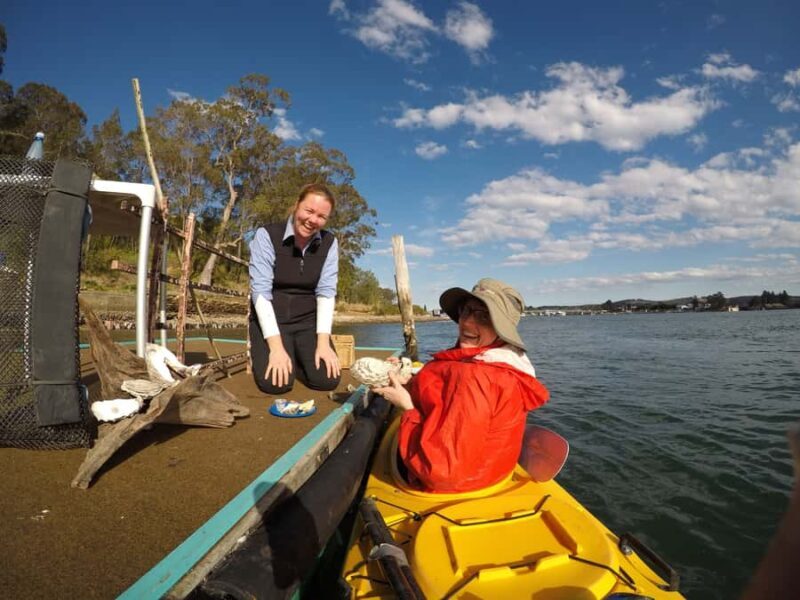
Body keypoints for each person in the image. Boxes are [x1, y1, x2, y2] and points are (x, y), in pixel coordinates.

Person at [374, 278, 550, 493]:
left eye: (484, 316)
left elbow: (440, 473)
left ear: (501, 329)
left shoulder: (476, 379)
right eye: (467, 311)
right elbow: (445, 392)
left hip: (454, 487)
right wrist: (410, 379)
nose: (467, 322)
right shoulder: (491, 359)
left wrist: (407, 406)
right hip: (490, 477)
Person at [249, 183, 341, 395]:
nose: (313, 220)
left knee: (327, 380)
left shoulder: (330, 242)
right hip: (273, 320)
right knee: (275, 384)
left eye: (321, 216)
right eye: (309, 210)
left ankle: (298, 359)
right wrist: (276, 348)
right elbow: (260, 292)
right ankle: (281, 353)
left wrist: (324, 343)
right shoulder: (267, 235)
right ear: (297, 205)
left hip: (308, 321)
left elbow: (326, 292)